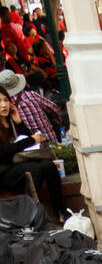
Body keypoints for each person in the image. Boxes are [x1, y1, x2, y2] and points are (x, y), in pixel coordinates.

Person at [0, 82, 67, 217]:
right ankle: (29, 217)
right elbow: (4, 152)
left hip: (18, 164)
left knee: (48, 165)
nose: (3, 105)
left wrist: (19, 122)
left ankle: (60, 211)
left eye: (6, 100)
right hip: (4, 170)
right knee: (33, 169)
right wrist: (32, 139)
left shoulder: (12, 120)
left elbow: (27, 144)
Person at [0, 67, 63, 143]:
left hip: (28, 149)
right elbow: (54, 109)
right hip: (50, 139)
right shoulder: (31, 95)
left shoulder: (6, 105)